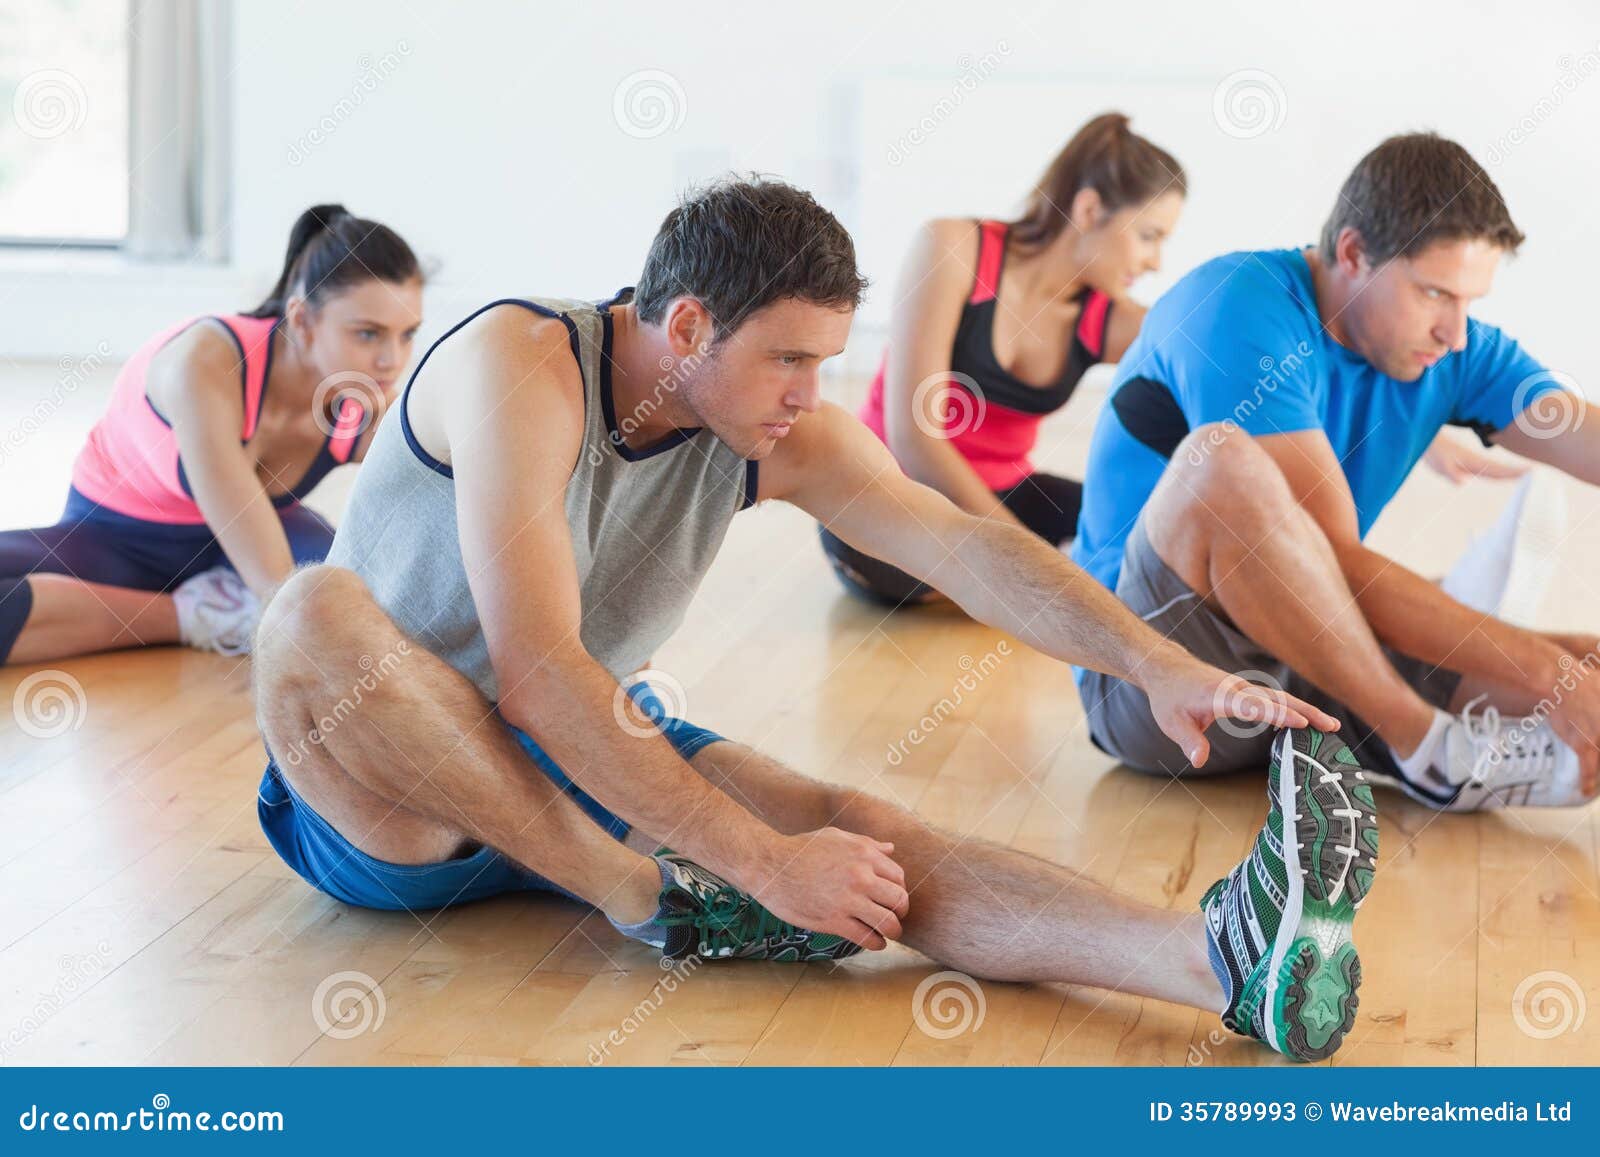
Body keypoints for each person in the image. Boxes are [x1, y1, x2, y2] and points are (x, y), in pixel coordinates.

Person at [252, 177, 1374, 1061]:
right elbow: (537, 672)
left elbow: (968, 550)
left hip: (583, 762)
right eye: (787, 357)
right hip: (389, 789)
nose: (809, 393)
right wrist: (761, 864)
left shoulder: (784, 431)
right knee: (310, 614)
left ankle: (1218, 959)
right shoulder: (524, 366)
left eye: (824, 360)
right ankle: (652, 901)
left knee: (858, 832)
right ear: (687, 324)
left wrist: (1157, 662)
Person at [1070, 132, 1600, 813]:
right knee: (1221, 464)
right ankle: (1421, 747)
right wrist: (1536, 662)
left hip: (1309, 679)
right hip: (1157, 690)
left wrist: (1564, 669)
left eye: (1470, 300)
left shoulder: (1453, 350)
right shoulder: (1240, 305)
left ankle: (1438, 689)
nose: (1457, 332)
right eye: (1436, 292)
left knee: (1587, 677)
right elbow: (1337, 565)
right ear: (1352, 253)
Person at [822, 113, 1514, 607]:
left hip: (1007, 489)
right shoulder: (953, 248)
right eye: (1148, 235)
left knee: (1134, 544)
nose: (1155, 260)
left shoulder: (1107, 315)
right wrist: (1023, 560)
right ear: (1089, 209)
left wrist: (1416, 427)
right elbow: (916, 439)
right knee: (976, 571)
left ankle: (1429, 597)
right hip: (887, 495)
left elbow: (1237, 369)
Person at [0, 204, 424, 664]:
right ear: (301, 320)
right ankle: (193, 616)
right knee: (316, 614)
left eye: (407, 335)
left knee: (385, 605)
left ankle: (222, 608)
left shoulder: (363, 401)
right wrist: (286, 620)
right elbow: (285, 604)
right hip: (119, 541)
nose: (392, 360)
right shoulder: (205, 364)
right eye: (368, 334)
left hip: (260, 541)